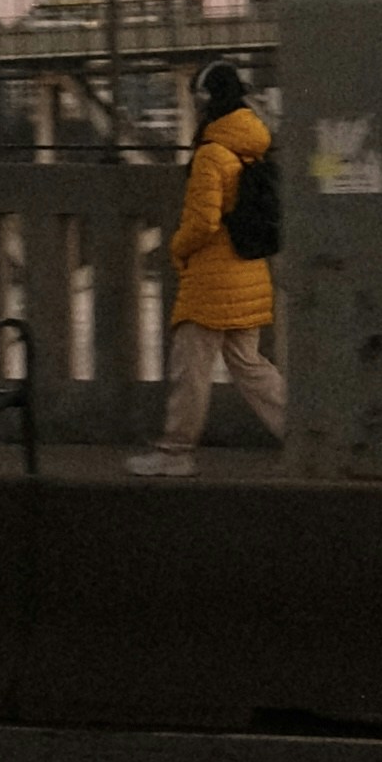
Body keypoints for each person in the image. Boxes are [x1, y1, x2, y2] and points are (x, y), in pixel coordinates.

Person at [133, 54, 289, 477]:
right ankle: (300, 434)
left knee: (190, 369)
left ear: (206, 101)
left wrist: (178, 248)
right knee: (250, 366)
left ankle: (175, 452)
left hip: (212, 280)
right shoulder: (252, 147)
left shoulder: (212, 154)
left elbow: (203, 222)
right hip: (249, 274)